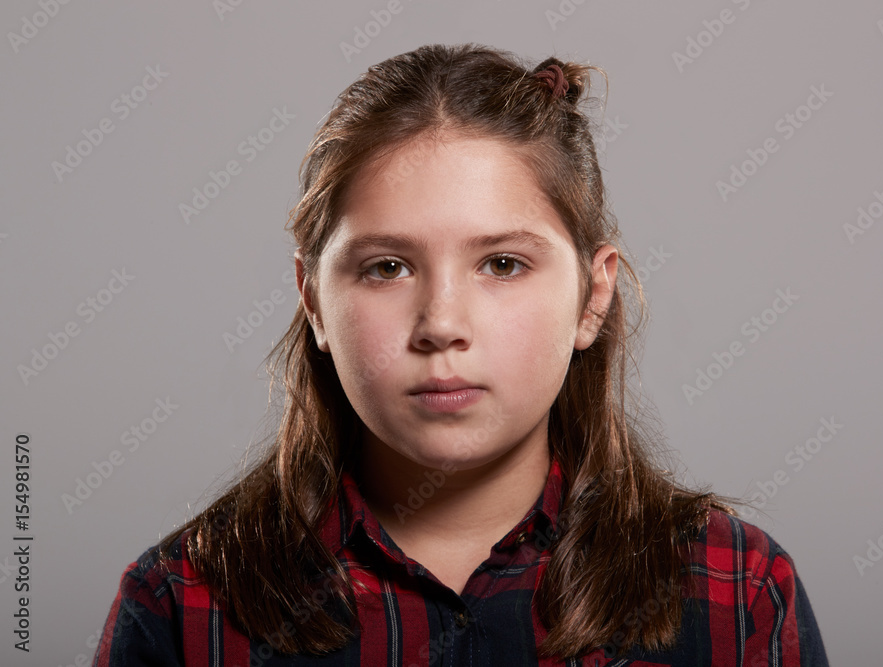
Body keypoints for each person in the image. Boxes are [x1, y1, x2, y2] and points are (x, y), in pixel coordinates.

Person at [94, 43, 829, 666]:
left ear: (592, 296)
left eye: (503, 264)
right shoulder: (181, 604)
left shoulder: (737, 589)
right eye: (387, 267)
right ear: (314, 300)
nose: (442, 324)